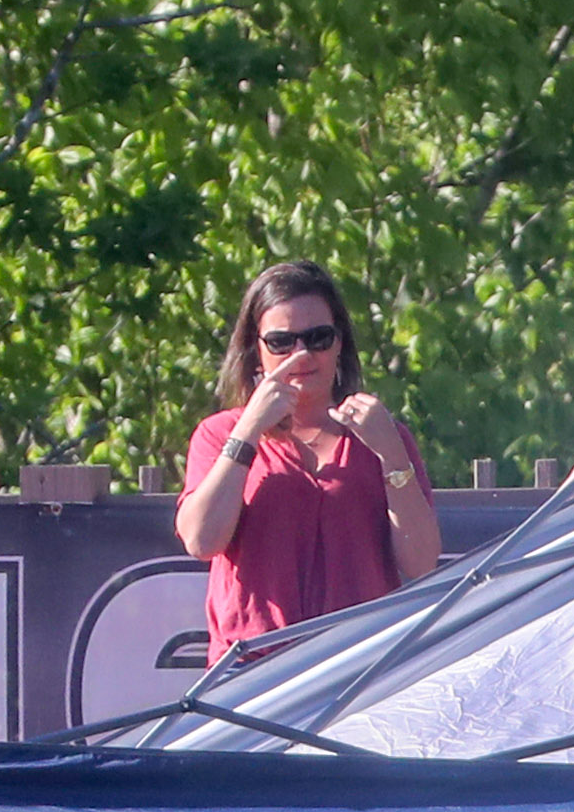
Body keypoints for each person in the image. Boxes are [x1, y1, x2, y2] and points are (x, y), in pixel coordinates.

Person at [175, 260, 441, 653]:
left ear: (340, 345)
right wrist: (248, 431)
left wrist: (392, 455)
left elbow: (422, 564)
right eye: (281, 342)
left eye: (318, 338)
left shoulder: (381, 436)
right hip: (252, 673)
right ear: (255, 350)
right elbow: (201, 540)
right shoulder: (219, 434)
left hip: (359, 667)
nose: (301, 355)